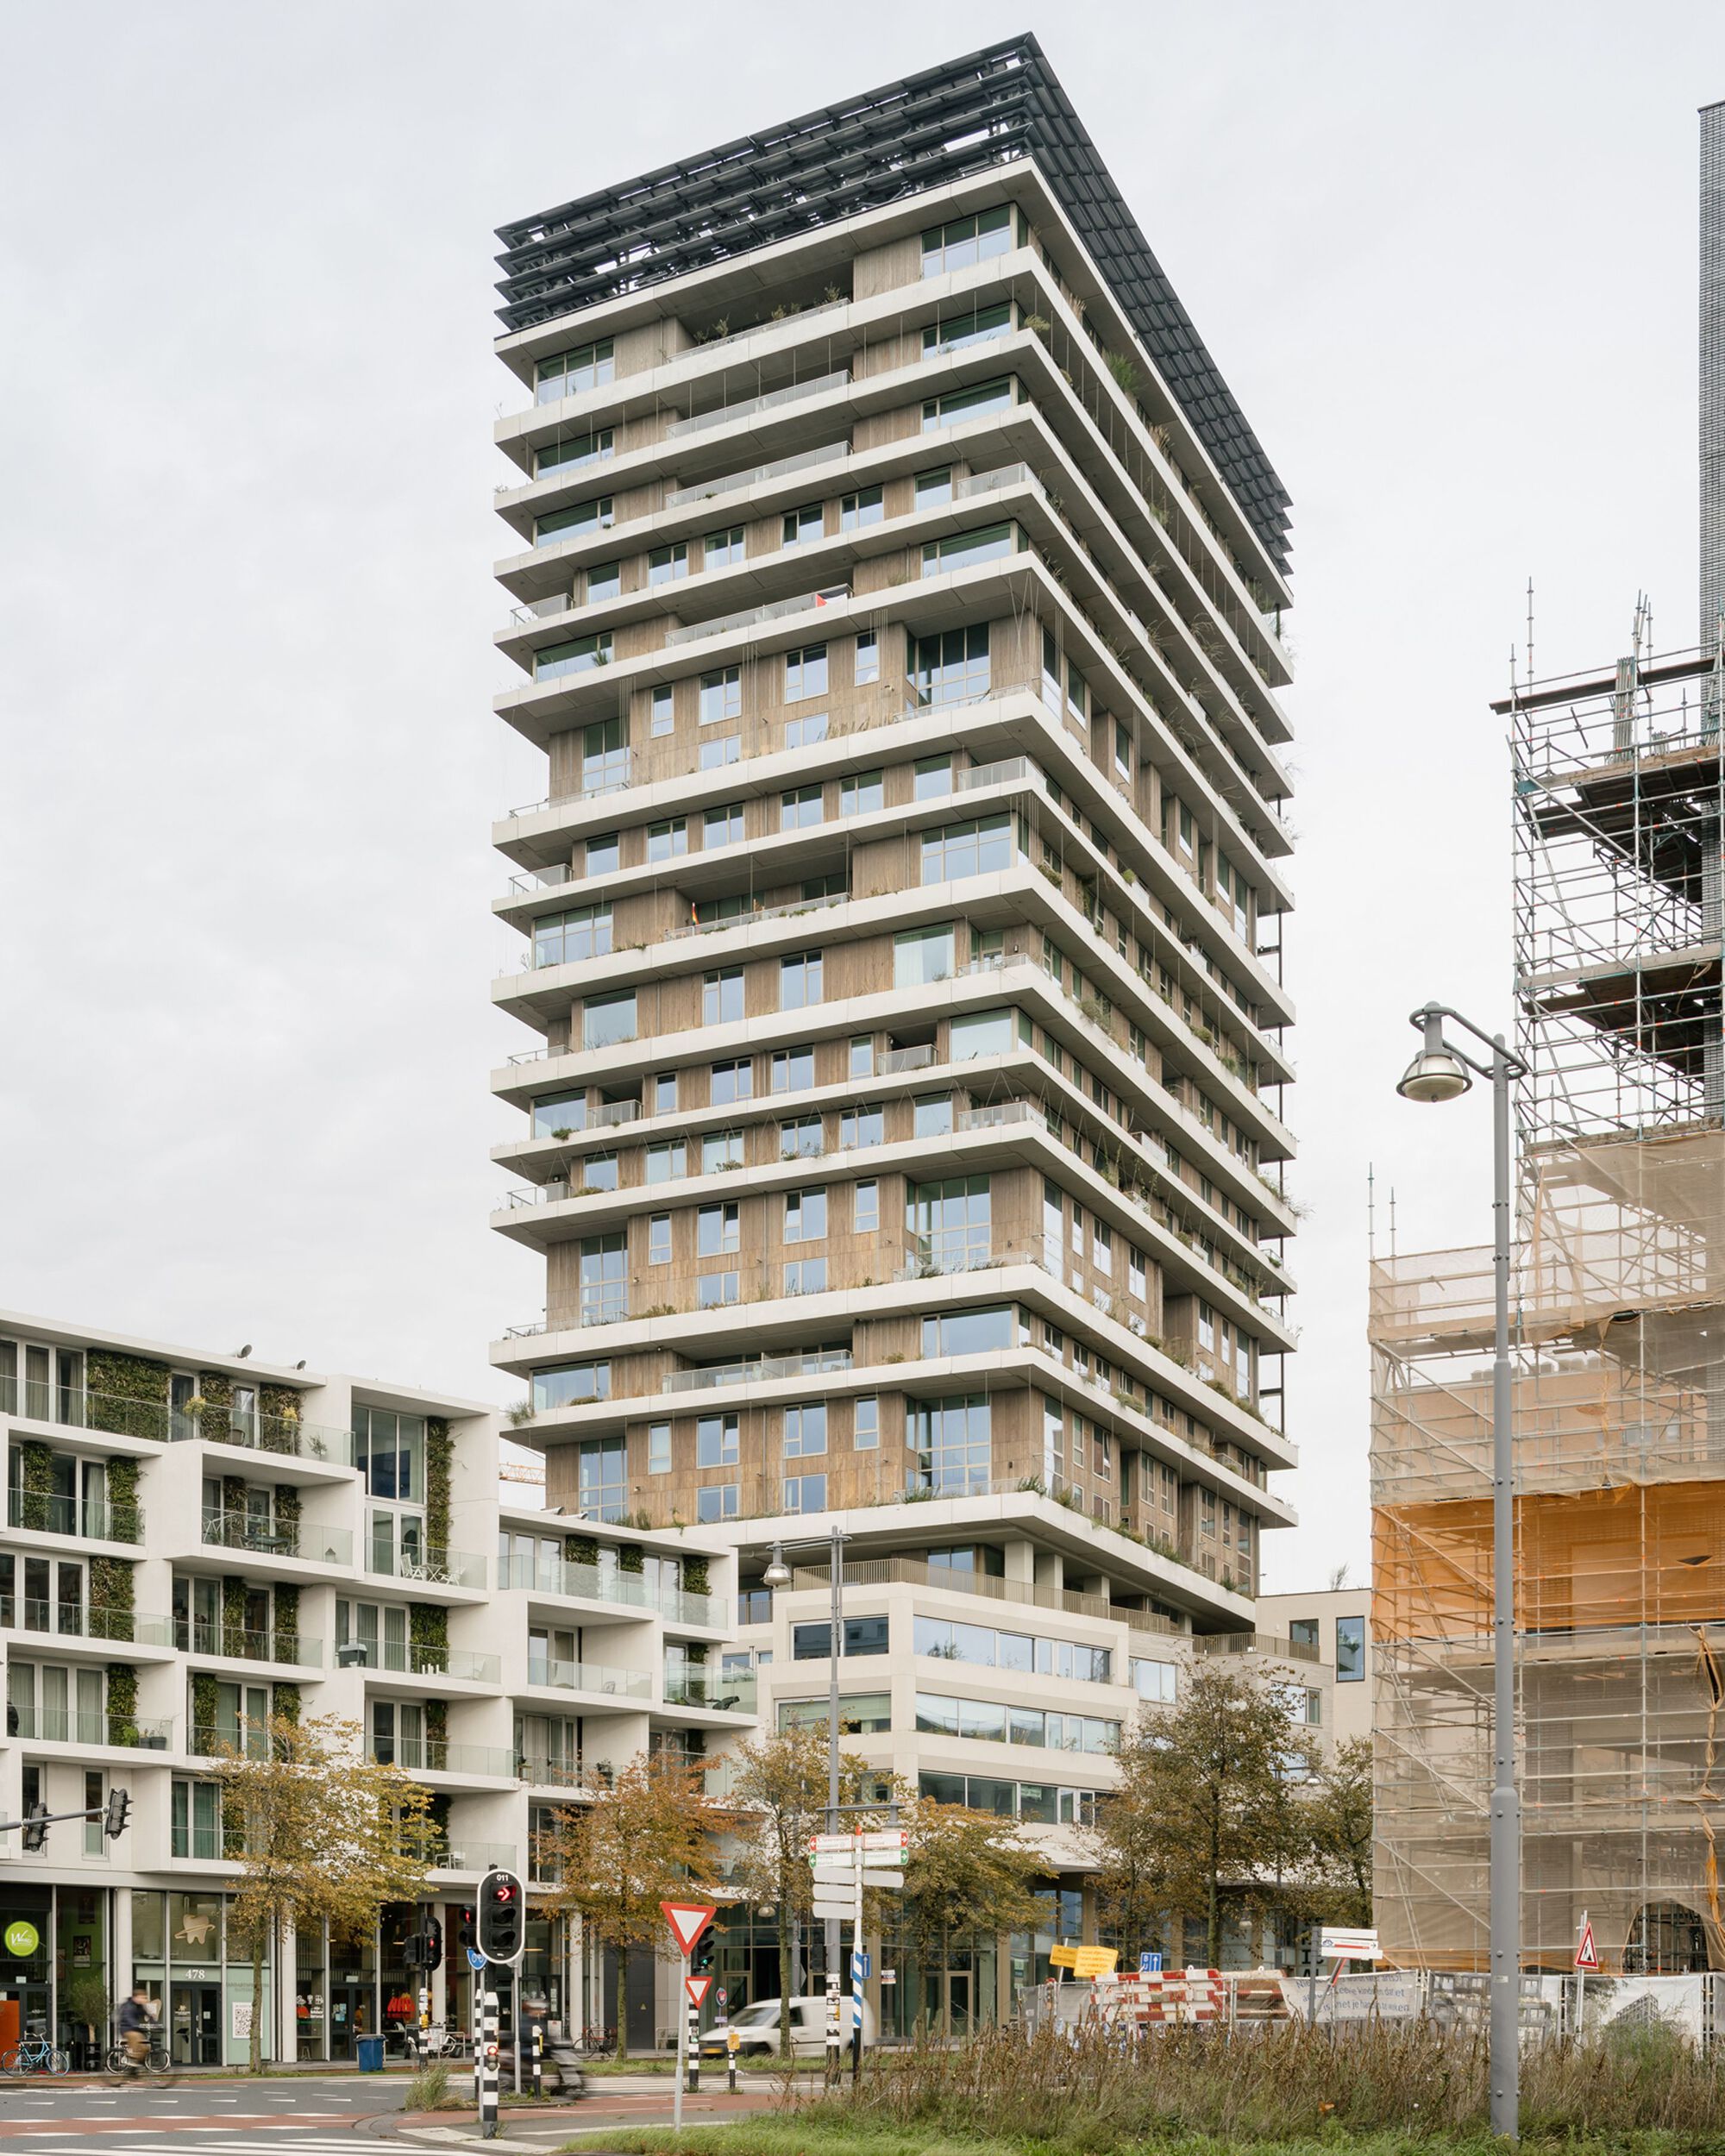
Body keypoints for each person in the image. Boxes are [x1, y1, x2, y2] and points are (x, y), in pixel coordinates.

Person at [117, 1987, 153, 2068]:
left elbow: (147, 2015)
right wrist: (136, 2025)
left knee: (145, 2048)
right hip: (127, 2029)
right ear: (136, 1997)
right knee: (137, 2037)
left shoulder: (139, 2006)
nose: (145, 1999)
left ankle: (134, 2066)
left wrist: (155, 2023)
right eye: (143, 1998)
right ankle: (128, 2058)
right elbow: (128, 2017)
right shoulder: (128, 2006)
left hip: (134, 2029)